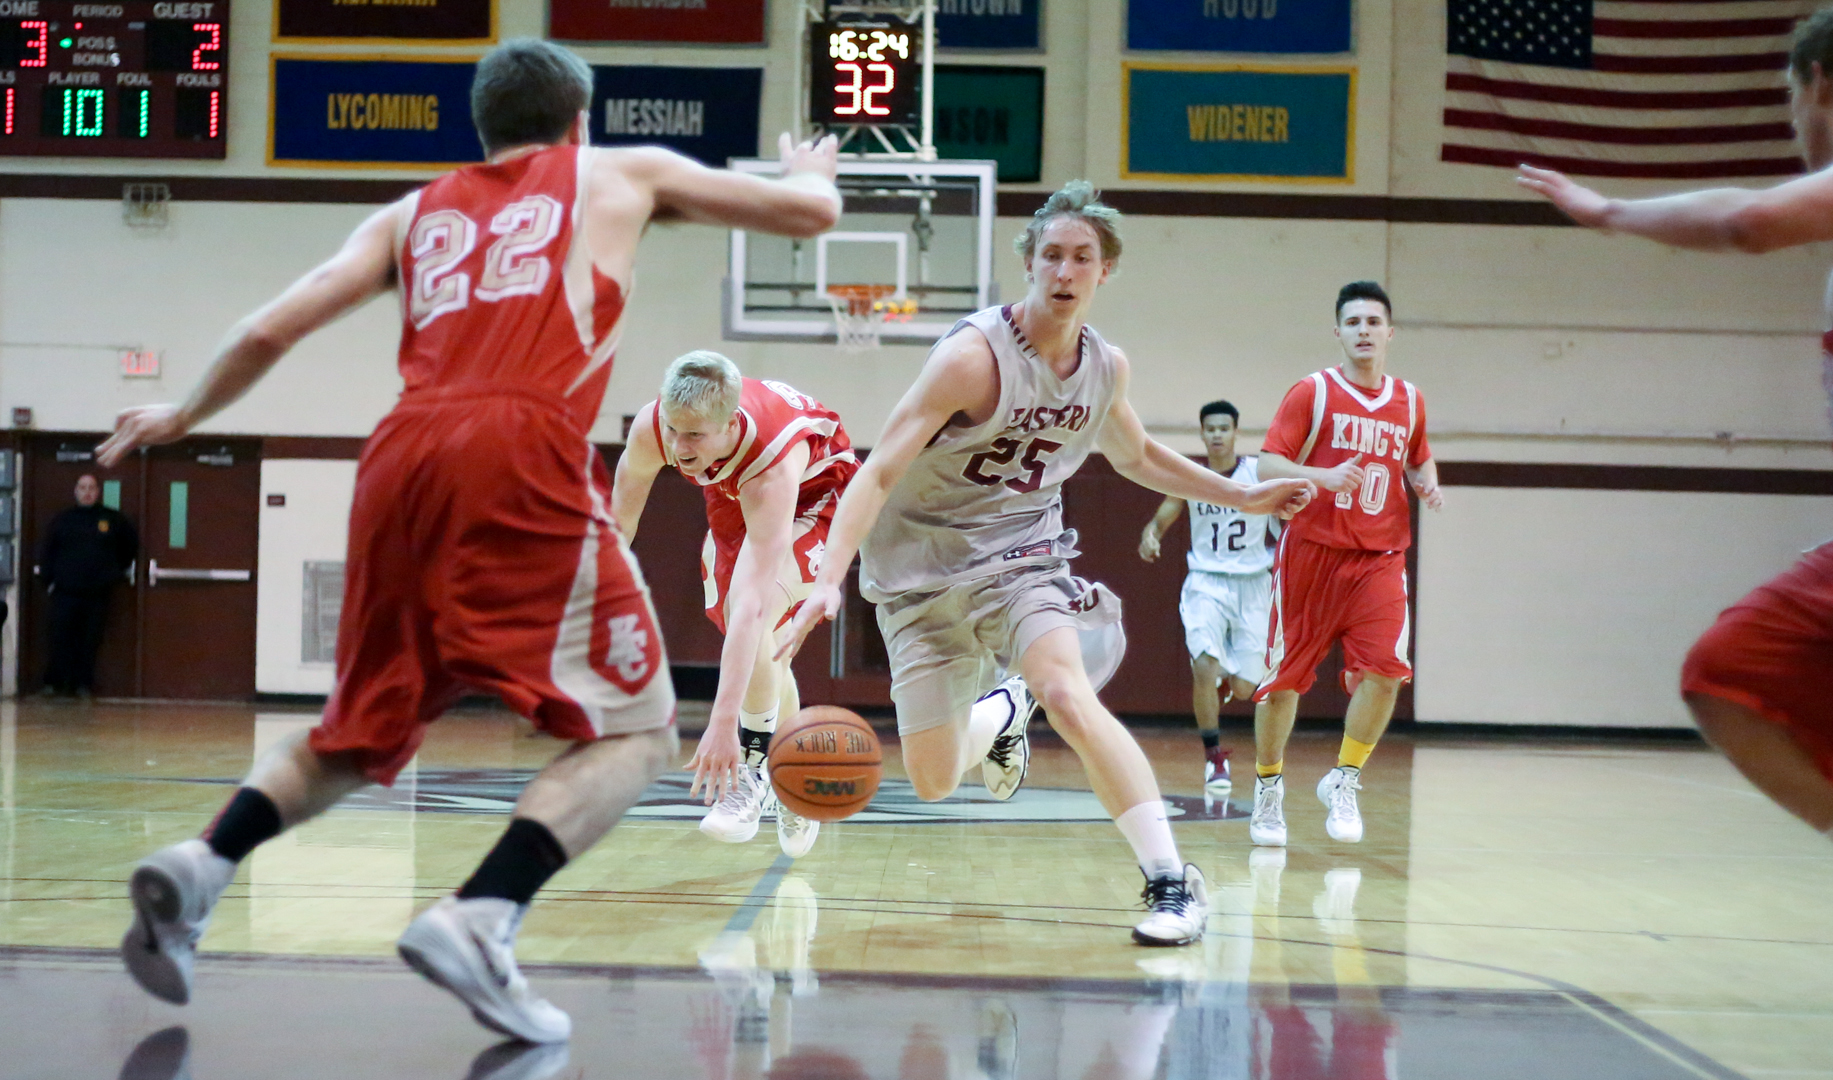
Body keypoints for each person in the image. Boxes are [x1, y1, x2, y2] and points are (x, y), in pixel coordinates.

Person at [100, 38, 841, 1043]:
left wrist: (184, 412)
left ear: (481, 129)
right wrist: (808, 175)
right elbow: (811, 217)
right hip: (519, 445)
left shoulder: (416, 210)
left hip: (398, 454)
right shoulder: (615, 172)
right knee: (635, 731)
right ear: (577, 123)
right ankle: (482, 913)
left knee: (355, 732)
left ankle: (202, 865)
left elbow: (276, 326)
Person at [1517, 2, 1833, 1036]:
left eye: (1791, 95)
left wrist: (1610, 214)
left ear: (1818, 81)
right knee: (1733, 674)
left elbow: (1747, 223)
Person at [779, 181, 1314, 947]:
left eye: (1082, 258)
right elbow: (877, 471)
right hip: (917, 574)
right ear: (1028, 264)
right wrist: (827, 577)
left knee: (1066, 690)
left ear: (1105, 273)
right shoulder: (970, 360)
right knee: (932, 780)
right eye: (1052, 255)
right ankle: (1003, 712)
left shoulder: (1106, 368)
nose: (1065, 270)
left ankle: (1171, 880)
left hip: (1020, 555)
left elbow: (1135, 454)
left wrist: (1238, 493)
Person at [612, 354, 856, 857]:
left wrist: (724, 724)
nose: (679, 448)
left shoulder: (771, 457)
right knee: (755, 654)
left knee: (755, 621)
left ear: (730, 424)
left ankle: (755, 771)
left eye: (695, 436)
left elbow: (751, 607)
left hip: (816, 498)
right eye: (674, 430)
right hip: (732, 496)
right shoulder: (654, 428)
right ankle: (797, 772)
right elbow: (618, 525)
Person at [1251, 282, 1443, 848]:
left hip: (1381, 555)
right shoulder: (1311, 392)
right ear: (1337, 331)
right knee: (1283, 684)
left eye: (1373, 321)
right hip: (1312, 553)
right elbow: (1267, 464)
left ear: (1390, 331)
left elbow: (1418, 456)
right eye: (1353, 321)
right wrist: (1321, 477)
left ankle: (1344, 777)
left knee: (1387, 673)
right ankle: (1268, 786)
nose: (1364, 330)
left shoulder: (1411, 399)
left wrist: (1427, 482)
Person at [1137, 401, 1274, 792]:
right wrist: (1152, 534)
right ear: (1201, 433)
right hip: (1206, 582)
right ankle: (1214, 758)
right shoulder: (1191, 476)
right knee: (1203, 665)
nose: (1216, 434)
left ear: (1235, 432)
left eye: (1223, 428)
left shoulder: (1257, 474)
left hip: (1252, 584)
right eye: (1209, 428)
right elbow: (1165, 513)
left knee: (1248, 688)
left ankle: (1229, 683)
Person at [36, 473, 136, 698]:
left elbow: (129, 546)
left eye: (91, 488)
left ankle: (83, 685)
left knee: (89, 640)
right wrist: (48, 580)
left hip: (96, 593)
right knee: (60, 638)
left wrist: (114, 572)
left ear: (98, 491)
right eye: (83, 487)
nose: (87, 492)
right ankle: (56, 683)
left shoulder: (111, 519)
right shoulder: (63, 520)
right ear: (76, 491)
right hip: (65, 592)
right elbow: (47, 552)